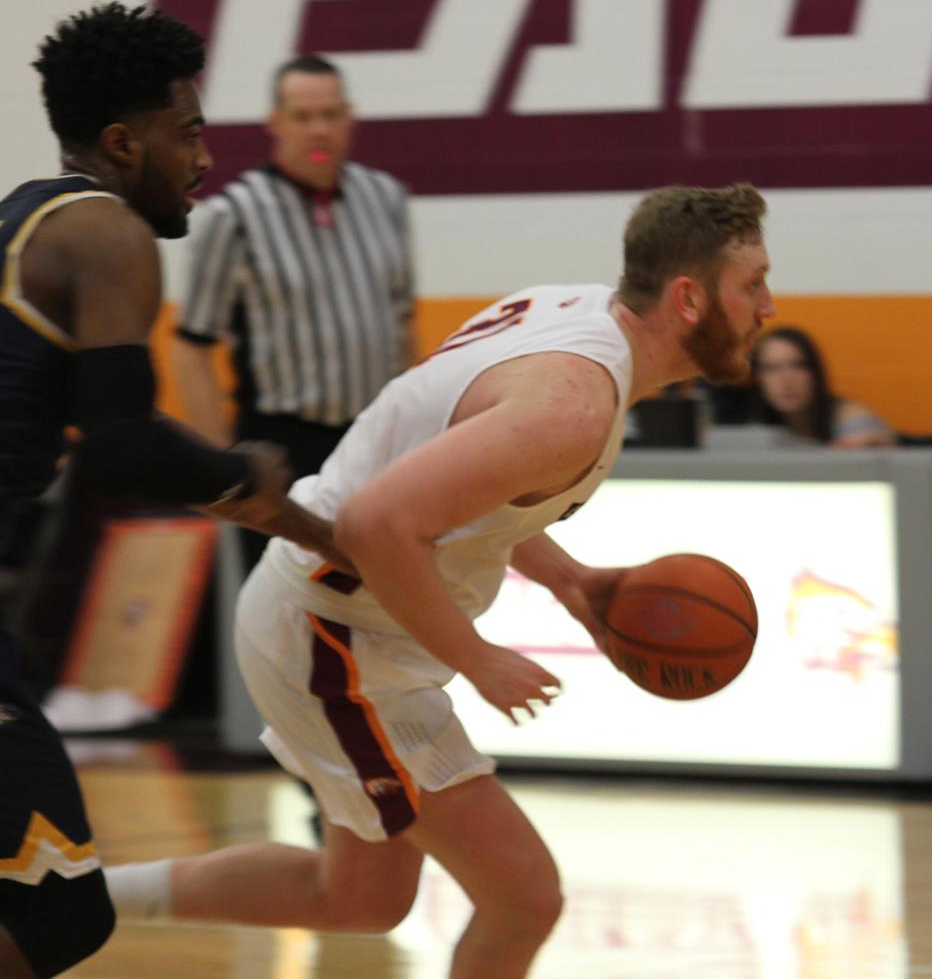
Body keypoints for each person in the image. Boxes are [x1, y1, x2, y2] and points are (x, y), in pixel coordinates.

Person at [104, 184, 776, 978]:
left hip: (332, 623)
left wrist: (571, 581)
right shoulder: (572, 405)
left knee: (357, 900)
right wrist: (479, 658)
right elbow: (375, 526)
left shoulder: (573, 314)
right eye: (754, 283)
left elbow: (458, 494)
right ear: (690, 297)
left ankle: (72, 899)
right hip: (333, 639)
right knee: (525, 898)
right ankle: (61, 903)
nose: (769, 306)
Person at [0, 3, 343, 979]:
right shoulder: (107, 233)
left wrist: (292, 515)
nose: (203, 155)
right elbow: (120, 444)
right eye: (185, 130)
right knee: (58, 913)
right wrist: (244, 470)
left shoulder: (17, 218)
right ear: (122, 141)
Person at [171, 54, 415, 565]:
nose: (318, 130)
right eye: (303, 117)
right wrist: (224, 468)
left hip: (375, 439)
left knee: (386, 594)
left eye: (329, 115)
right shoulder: (232, 215)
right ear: (276, 121)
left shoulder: (386, 197)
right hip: (282, 448)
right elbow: (190, 346)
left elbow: (402, 323)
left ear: (349, 116)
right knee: (286, 610)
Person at [750, 327, 895, 448]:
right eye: (771, 368)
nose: (786, 379)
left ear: (816, 373)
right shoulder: (748, 424)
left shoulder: (853, 421)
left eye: (798, 365)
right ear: (756, 377)